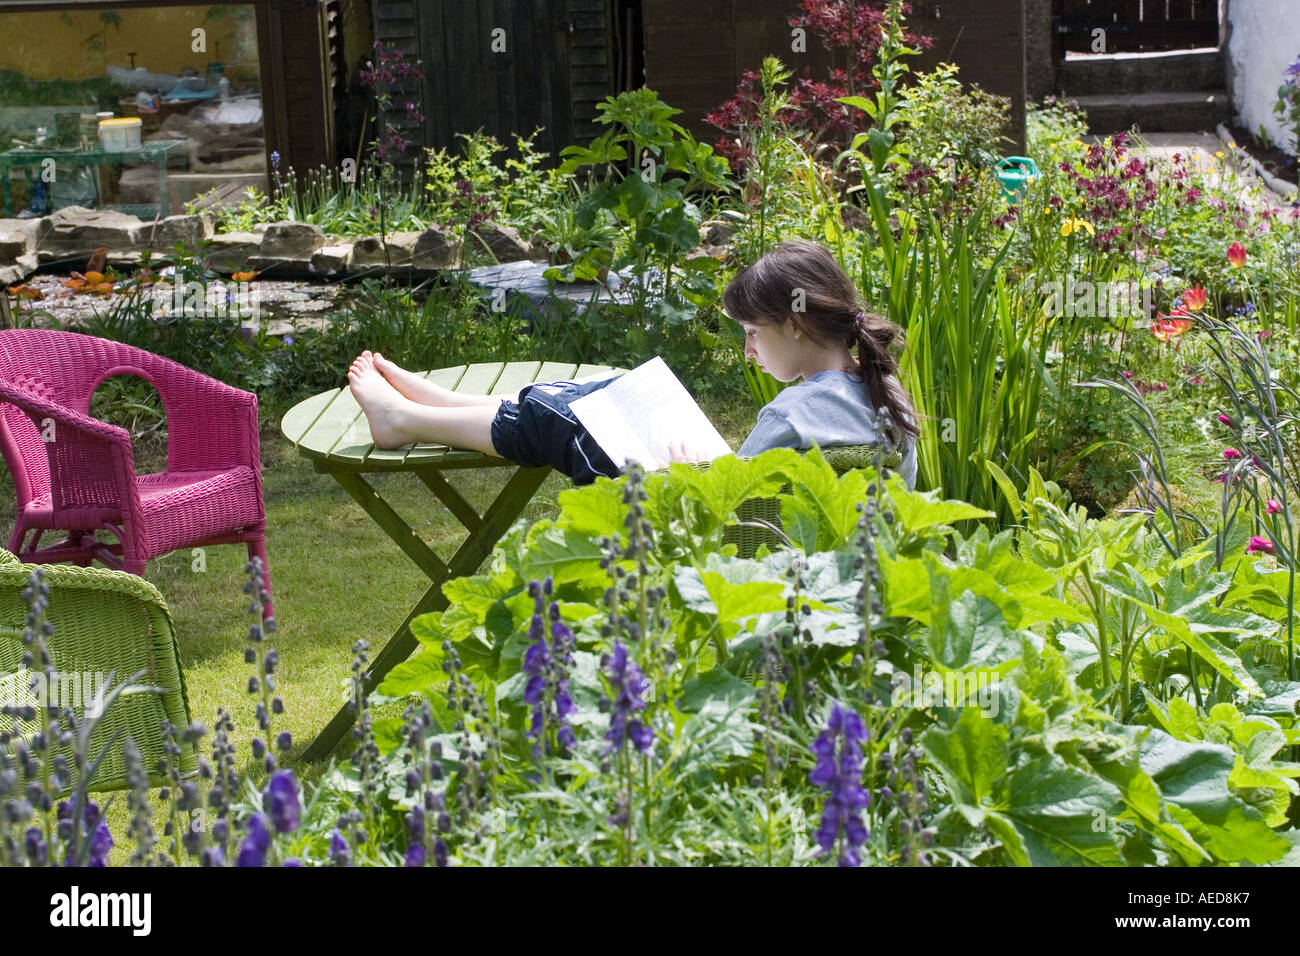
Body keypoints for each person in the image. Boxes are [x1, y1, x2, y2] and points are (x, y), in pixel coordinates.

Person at [347, 239, 919, 487]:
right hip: (826, 570)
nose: (747, 350)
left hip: (696, 534)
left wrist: (695, 475)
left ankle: (405, 421)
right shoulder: (883, 392)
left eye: (751, 333)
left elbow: (735, 523)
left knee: (566, 418)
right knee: (608, 391)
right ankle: (437, 403)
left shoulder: (793, 415)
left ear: (795, 324)